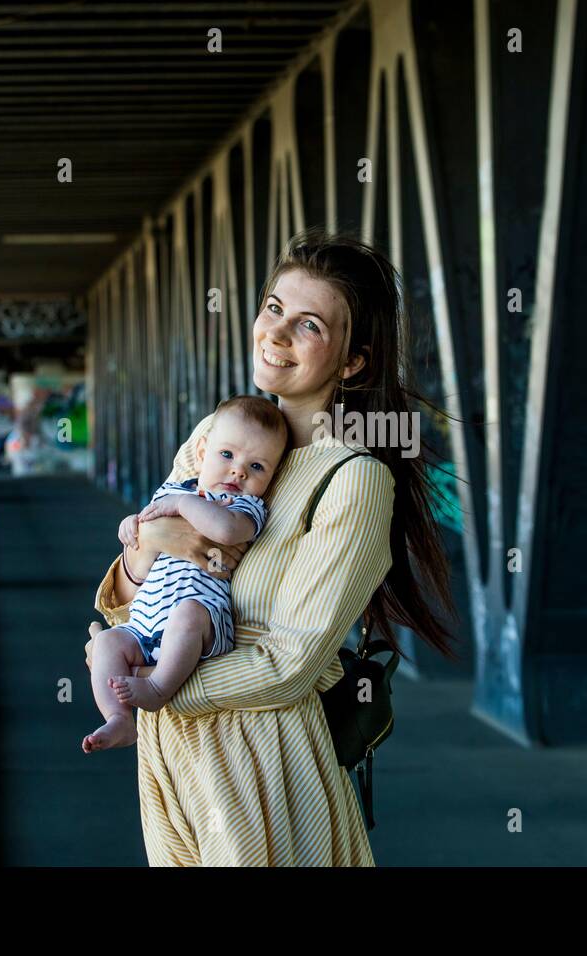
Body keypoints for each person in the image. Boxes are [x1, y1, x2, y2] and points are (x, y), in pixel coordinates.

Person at [86, 227, 458, 866]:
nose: (277, 333)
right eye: (273, 308)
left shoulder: (353, 478)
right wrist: (146, 560)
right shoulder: (219, 433)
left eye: (309, 325)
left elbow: (291, 662)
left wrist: (150, 684)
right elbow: (138, 593)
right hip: (170, 757)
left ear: (353, 361)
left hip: (265, 766)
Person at [81, 395, 288, 753]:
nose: (238, 471)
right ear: (203, 450)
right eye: (227, 455)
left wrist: (180, 506)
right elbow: (144, 530)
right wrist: (132, 525)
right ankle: (118, 719)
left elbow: (224, 532)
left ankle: (160, 687)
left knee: (188, 615)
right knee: (107, 643)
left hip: (201, 621)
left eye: (257, 467)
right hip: (145, 620)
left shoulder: (244, 506)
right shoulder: (176, 488)